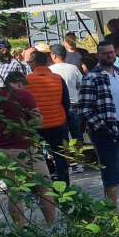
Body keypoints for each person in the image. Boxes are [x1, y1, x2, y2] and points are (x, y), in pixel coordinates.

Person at [0, 71, 56, 227]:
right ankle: (51, 224)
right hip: (26, 148)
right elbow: (38, 121)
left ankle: (19, 229)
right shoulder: (24, 95)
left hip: (3, 151)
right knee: (44, 187)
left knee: (14, 192)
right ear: (19, 83)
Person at [78, 40, 119, 208]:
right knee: (111, 175)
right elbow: (84, 109)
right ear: (98, 55)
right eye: (105, 53)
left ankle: (111, 210)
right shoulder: (92, 77)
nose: (109, 55)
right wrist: (102, 128)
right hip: (108, 130)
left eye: (111, 52)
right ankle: (112, 214)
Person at [25, 51, 72, 184]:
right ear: (46, 62)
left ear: (34, 63)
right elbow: (66, 102)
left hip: (37, 125)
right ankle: (64, 183)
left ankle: (45, 181)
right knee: (60, 155)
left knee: (38, 155)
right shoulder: (58, 78)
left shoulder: (27, 80)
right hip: (58, 123)